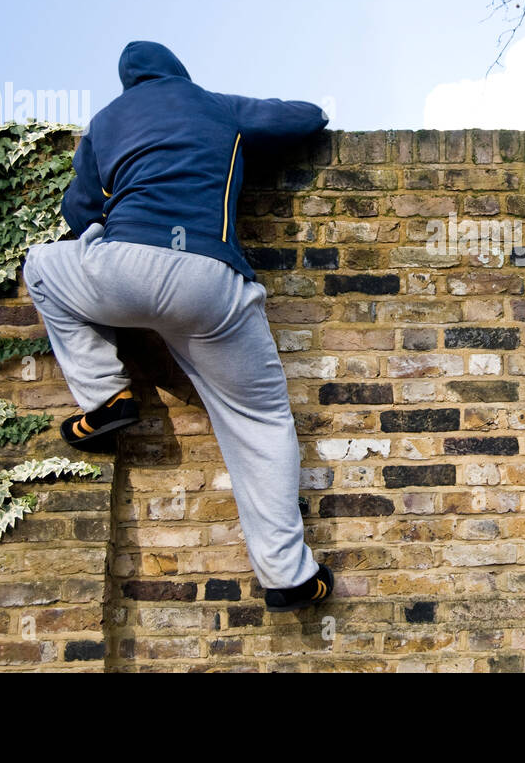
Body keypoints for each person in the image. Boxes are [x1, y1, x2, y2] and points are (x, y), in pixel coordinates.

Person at [22, 40, 333, 613]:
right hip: (210, 282)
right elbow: (308, 117)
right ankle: (288, 576)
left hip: (124, 273)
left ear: (127, 84)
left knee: (41, 266)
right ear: (179, 73)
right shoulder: (216, 104)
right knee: (260, 421)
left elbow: (79, 213)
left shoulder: (105, 122)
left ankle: (104, 398)